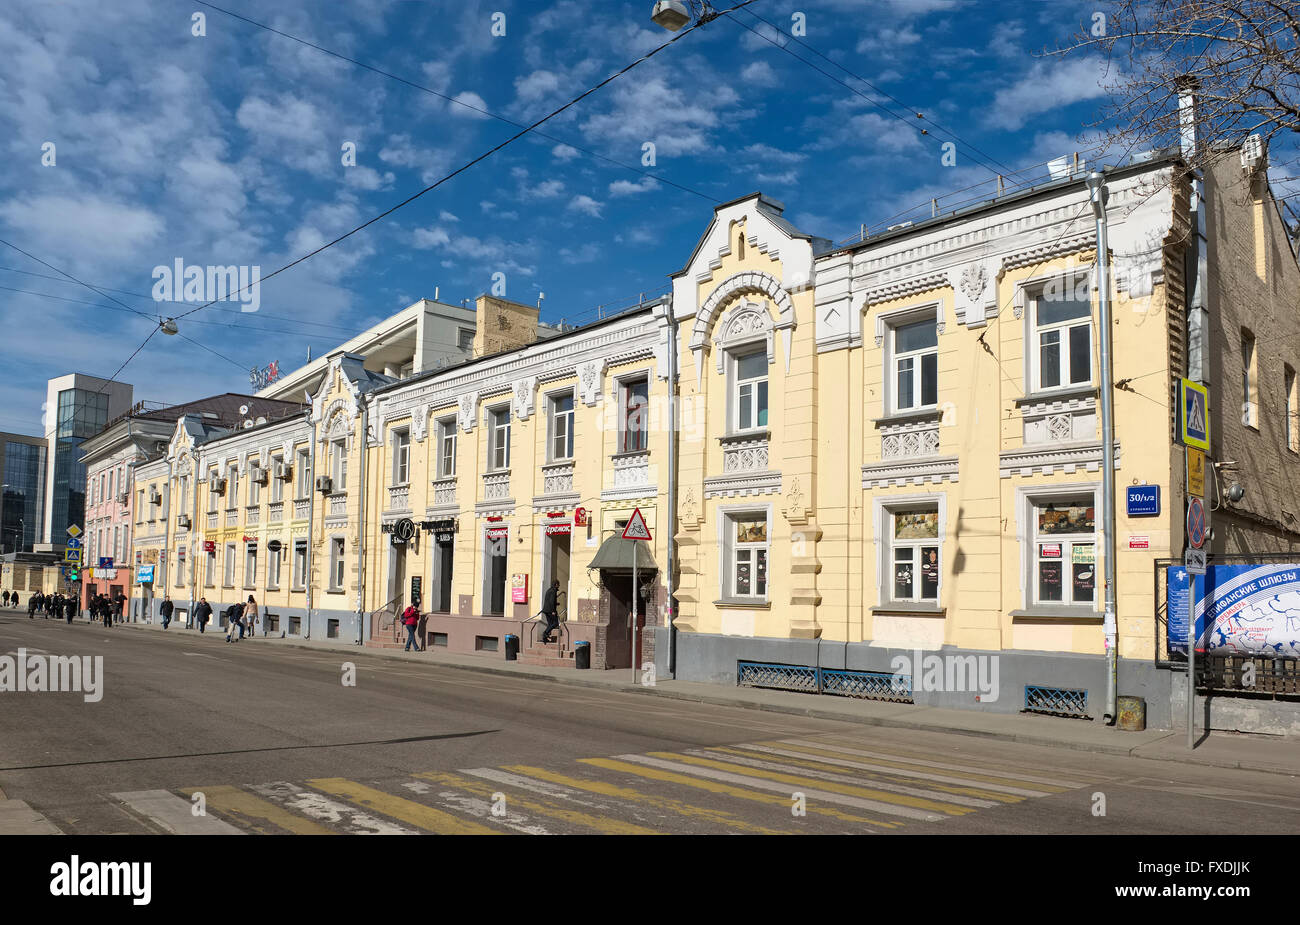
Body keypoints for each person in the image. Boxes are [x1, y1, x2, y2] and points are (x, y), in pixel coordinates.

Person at [539, 579, 560, 644]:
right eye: (558, 584)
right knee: (555, 623)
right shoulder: (553, 591)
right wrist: (553, 611)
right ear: (556, 584)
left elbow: (550, 601)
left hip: (546, 610)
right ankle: (545, 633)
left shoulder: (549, 590)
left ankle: (545, 639)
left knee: (550, 623)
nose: (559, 586)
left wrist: (556, 604)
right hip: (550, 610)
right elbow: (551, 601)